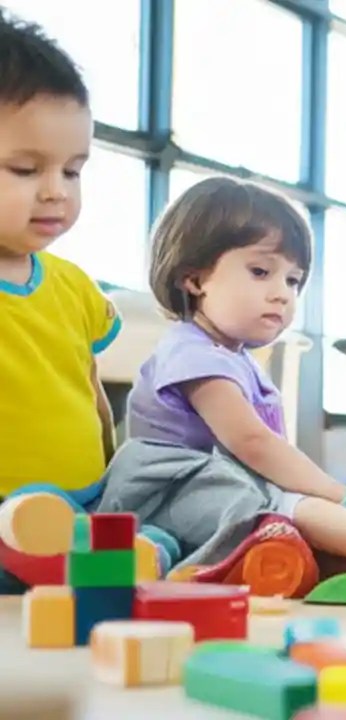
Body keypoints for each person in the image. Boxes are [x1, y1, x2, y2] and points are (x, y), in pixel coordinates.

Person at [98, 177, 346, 597]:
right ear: (194, 280)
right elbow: (253, 443)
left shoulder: (235, 358)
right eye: (261, 272)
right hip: (174, 493)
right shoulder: (192, 352)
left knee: (302, 515)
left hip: (222, 491)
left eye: (293, 281)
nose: (282, 295)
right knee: (294, 508)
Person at [0, 10, 177, 586]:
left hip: (83, 496)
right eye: (25, 169)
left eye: (73, 172)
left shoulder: (74, 285)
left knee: (163, 524)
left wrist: (110, 468)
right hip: (7, 509)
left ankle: (108, 553)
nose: (56, 192)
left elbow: (92, 388)